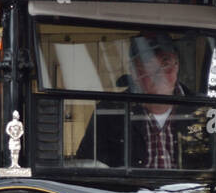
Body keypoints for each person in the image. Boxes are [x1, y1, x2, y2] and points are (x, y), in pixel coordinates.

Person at [77, 32, 203, 171]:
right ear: (134, 72)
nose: (159, 74)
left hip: (185, 192)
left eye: (165, 63)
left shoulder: (203, 110)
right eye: (148, 66)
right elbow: (87, 167)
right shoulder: (108, 112)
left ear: (177, 65)